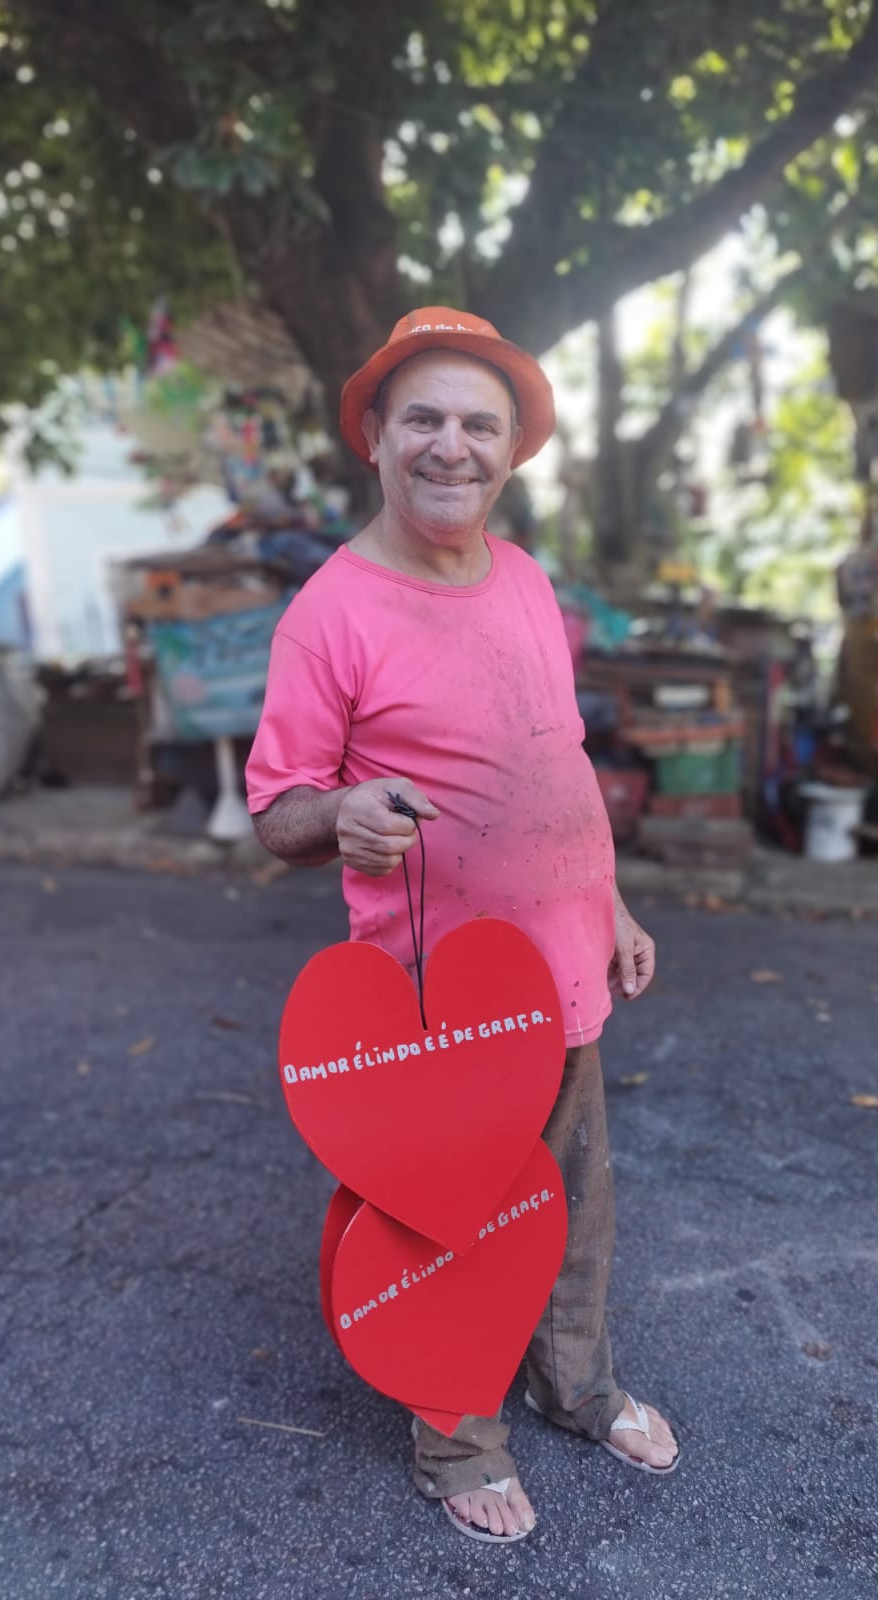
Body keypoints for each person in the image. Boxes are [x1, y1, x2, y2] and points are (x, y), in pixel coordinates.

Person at [245, 307, 679, 1545]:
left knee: (576, 1200)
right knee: (452, 1213)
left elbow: (560, 761)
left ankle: (575, 1383)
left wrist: (612, 903)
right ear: (375, 436)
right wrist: (344, 814)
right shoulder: (330, 611)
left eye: (479, 424)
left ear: (512, 449)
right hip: (440, 1001)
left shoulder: (529, 579)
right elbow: (277, 809)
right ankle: (456, 1438)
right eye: (424, 418)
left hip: (565, 970)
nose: (452, 446)